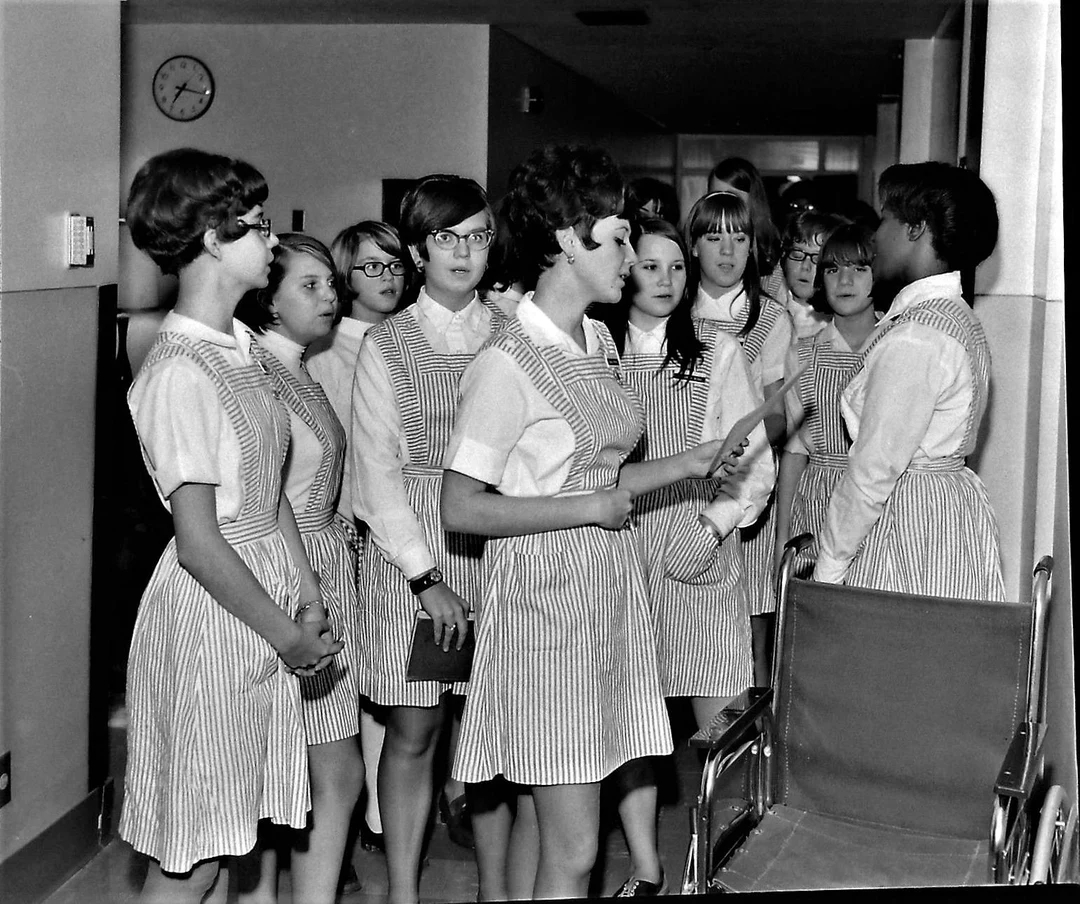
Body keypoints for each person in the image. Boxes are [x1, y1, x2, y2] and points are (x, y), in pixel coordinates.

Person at [439, 144, 734, 900]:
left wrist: (688, 461)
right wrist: (587, 509)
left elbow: (600, 479)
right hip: (545, 606)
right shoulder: (508, 361)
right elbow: (460, 505)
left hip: (604, 591)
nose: (632, 259)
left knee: (557, 837)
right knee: (575, 851)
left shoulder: (594, 339)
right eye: (619, 239)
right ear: (569, 239)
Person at [120, 148, 343, 904]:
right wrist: (287, 636)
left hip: (261, 599)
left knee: (231, 837)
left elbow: (267, 489)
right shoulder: (179, 370)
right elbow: (199, 542)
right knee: (195, 855)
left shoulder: (242, 350)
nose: (273, 239)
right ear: (214, 239)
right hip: (213, 612)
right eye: (257, 224)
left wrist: (307, 592)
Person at [350, 174, 506, 904]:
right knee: (415, 730)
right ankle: (405, 892)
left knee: (496, 732)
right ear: (418, 250)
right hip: (415, 553)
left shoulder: (513, 332)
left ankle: (495, 889)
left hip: (500, 548)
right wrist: (425, 578)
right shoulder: (386, 343)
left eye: (478, 237)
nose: (464, 253)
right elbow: (376, 476)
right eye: (447, 238)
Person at [813, 162, 1005, 600]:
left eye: (885, 220)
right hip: (948, 519)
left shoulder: (915, 337)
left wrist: (828, 571)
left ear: (915, 229)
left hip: (908, 526)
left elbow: (871, 472)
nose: (876, 237)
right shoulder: (959, 318)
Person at [307, 219, 410, 855]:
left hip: (391, 531)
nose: (388, 277)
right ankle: (355, 826)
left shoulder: (402, 342)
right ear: (346, 278)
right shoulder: (329, 353)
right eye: (372, 267)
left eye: (396, 265)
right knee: (353, 690)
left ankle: (378, 816)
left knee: (385, 684)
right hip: (346, 534)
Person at [686, 189, 794, 686]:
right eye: (714, 238)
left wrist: (736, 447)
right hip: (678, 485)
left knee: (746, 634)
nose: (727, 251)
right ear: (693, 246)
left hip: (745, 484)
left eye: (739, 237)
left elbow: (778, 415)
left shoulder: (769, 317)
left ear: (753, 246)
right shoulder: (672, 309)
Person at [775, 222, 879, 579]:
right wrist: (783, 538)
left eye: (859, 269)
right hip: (817, 506)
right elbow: (794, 452)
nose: (845, 281)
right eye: (833, 269)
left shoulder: (895, 344)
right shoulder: (804, 354)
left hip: (878, 507)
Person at [707, 157, 785, 300]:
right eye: (716, 196)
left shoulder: (774, 254)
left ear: (753, 201)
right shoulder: (701, 244)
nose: (723, 205)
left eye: (732, 197)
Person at [779, 210, 846, 339]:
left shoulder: (843, 329)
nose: (806, 266)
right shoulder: (763, 315)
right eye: (797, 255)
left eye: (817, 258)